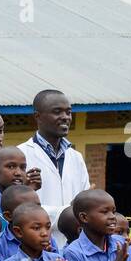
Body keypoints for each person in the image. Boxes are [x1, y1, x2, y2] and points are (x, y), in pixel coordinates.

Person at [17, 90, 90, 247]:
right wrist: (66, 213)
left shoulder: (76, 157)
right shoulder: (20, 155)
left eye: (68, 112)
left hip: (75, 246)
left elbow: (85, 203)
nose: (65, 117)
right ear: (38, 117)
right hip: (36, 246)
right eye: (57, 112)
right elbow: (17, 207)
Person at [0, 185, 45, 261]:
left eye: (38, 207)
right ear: (8, 216)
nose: (36, 213)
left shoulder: (45, 236)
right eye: (27, 209)